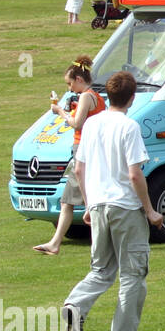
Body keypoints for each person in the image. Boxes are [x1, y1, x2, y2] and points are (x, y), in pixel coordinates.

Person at [60, 71, 164, 331]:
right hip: (125, 207)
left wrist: (88, 203)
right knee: (133, 273)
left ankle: (75, 305)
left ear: (107, 95)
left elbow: (80, 169)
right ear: (131, 98)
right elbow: (134, 175)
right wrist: (151, 211)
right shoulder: (128, 127)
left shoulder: (92, 125)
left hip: (98, 205)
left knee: (101, 271)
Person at [33, 56, 105, 255]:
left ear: (79, 80)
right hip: (91, 149)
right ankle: (55, 243)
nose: (70, 88)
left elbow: (77, 124)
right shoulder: (97, 97)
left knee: (72, 201)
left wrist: (60, 113)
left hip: (83, 150)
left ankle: (56, 244)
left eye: (70, 83)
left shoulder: (86, 96)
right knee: (71, 200)